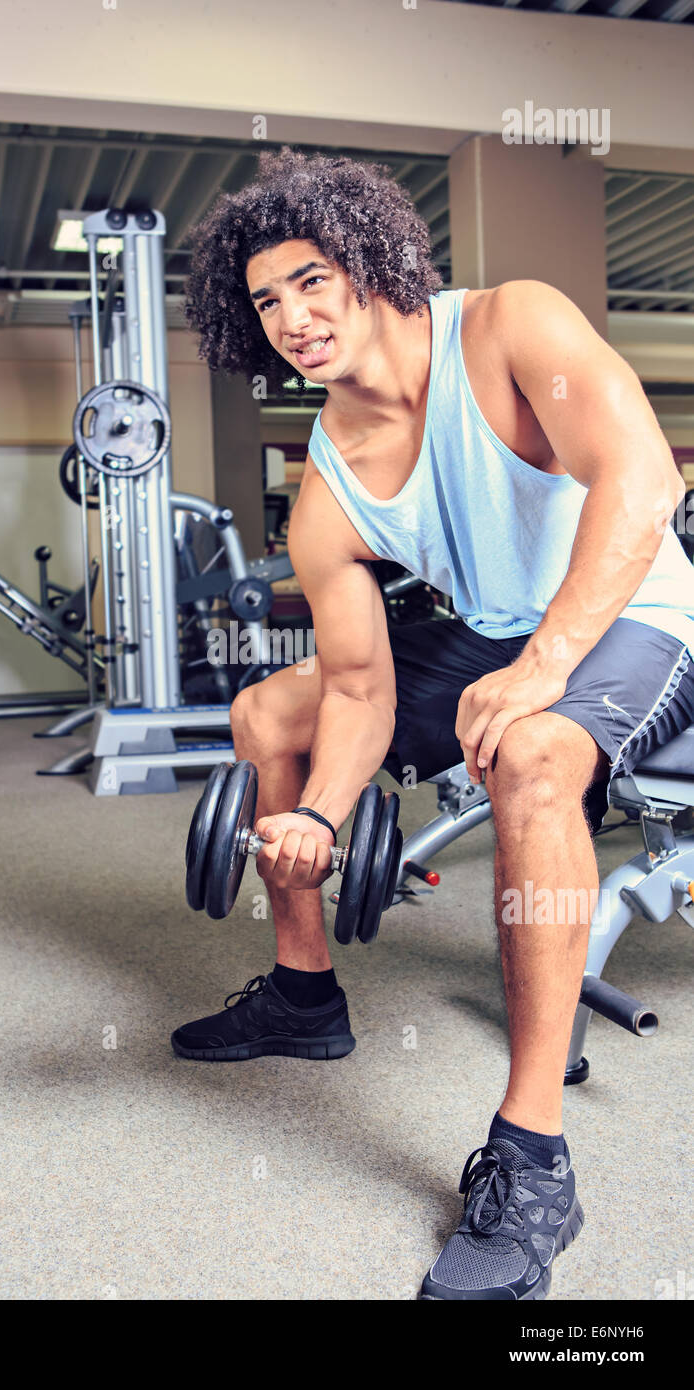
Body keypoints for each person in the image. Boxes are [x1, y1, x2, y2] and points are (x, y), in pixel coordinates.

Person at [176, 148, 694, 1300]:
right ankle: (304, 993)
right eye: (265, 300)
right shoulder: (326, 483)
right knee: (271, 711)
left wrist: (543, 666)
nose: (292, 318)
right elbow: (358, 691)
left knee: (530, 752)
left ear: (366, 262)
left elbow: (641, 479)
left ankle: (531, 1159)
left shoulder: (511, 327)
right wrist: (319, 810)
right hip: (502, 626)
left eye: (310, 281)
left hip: (635, 608)